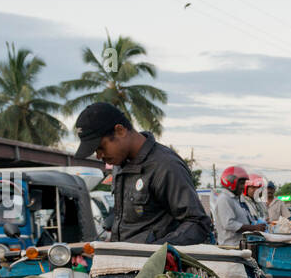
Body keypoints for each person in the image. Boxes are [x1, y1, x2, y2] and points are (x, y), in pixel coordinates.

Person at [73, 102, 213, 245]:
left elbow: (198, 223)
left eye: (100, 148)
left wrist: (157, 253)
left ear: (120, 131)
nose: (99, 156)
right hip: (124, 263)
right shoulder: (119, 166)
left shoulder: (165, 166)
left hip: (156, 265)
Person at [210, 165, 267, 245]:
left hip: (240, 245)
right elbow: (229, 224)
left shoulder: (235, 199)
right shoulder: (224, 199)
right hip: (230, 247)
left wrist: (257, 224)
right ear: (231, 181)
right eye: (241, 183)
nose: (243, 187)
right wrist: (253, 228)